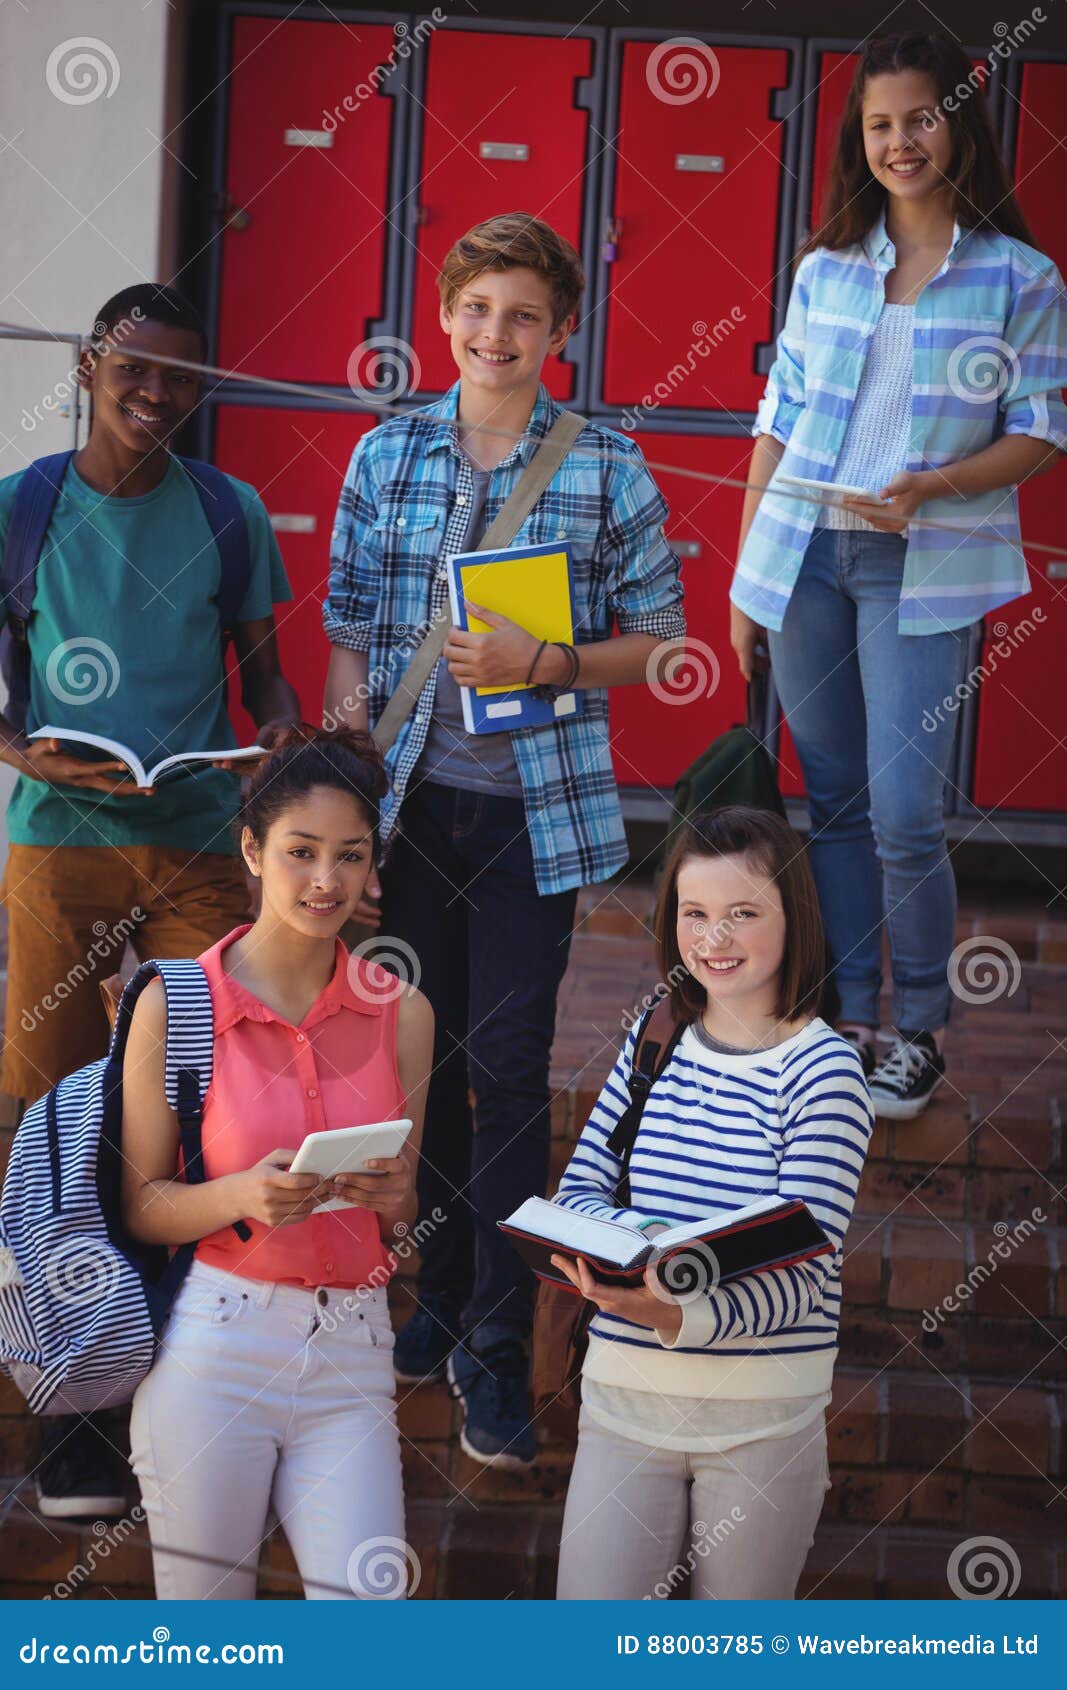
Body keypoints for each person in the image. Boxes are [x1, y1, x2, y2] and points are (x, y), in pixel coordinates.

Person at [324, 213, 684, 1469]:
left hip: (534, 819)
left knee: (507, 1069)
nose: (496, 334)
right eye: (478, 309)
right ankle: (420, 1305)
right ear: (444, 314)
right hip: (412, 817)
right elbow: (351, 632)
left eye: (524, 315)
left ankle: (487, 1340)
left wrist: (553, 660)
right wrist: (345, 805)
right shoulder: (386, 454)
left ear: (559, 331)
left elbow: (661, 640)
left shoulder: (606, 468)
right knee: (406, 1065)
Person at [0, 282, 299, 1517]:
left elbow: (267, 684)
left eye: (182, 377)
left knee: (190, 1100)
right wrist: (24, 752)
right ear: (88, 365)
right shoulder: (26, 505)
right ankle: (61, 1399)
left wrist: (277, 741)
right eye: (135, 369)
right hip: (54, 841)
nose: (156, 394)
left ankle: (157, 1380)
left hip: (188, 844)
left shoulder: (227, 514)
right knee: (42, 1105)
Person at [729, 32, 1066, 1119]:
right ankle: (845, 1021)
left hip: (918, 562)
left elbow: (1040, 432)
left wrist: (931, 485)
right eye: (878, 123)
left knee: (905, 809)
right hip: (804, 558)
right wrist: (745, 581)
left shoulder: (1018, 275)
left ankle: (915, 1026)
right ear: (856, 139)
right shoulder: (823, 268)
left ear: (955, 124)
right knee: (831, 802)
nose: (898, 140)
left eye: (918, 117)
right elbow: (770, 431)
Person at [121, 726, 434, 1600]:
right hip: (215, 1346)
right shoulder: (175, 1002)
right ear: (252, 850)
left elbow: (400, 1222)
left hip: (353, 1352)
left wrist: (400, 1195)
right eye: (301, 852)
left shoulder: (403, 1012)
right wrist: (243, 1194)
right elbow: (142, 1205)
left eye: (350, 855)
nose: (326, 880)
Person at [551, 805, 873, 1600]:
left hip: (759, 1425)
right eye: (694, 914)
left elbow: (800, 1273)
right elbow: (582, 1188)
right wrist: (603, 1255)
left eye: (742, 914)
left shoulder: (824, 1071)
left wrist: (675, 1313)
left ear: (792, 919)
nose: (713, 939)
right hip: (623, 1405)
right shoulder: (652, 1036)